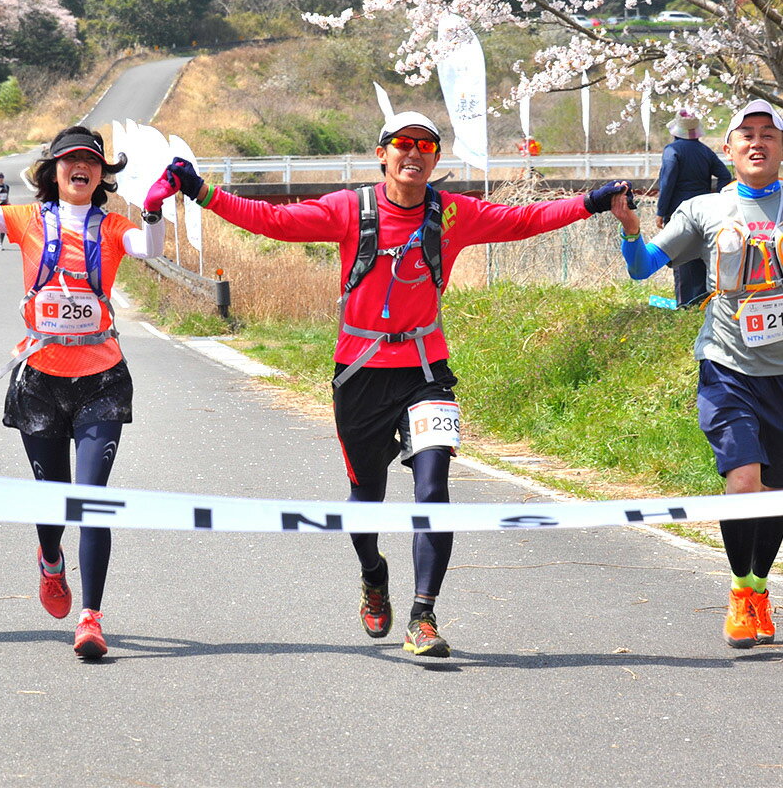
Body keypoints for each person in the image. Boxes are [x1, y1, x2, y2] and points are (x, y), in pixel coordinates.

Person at [162, 86, 627, 659]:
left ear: (437, 159)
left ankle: (424, 616)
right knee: (366, 500)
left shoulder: (451, 212)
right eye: (402, 144)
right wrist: (202, 191)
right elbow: (272, 220)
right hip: (359, 374)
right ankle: (373, 574)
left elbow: (524, 219)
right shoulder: (348, 209)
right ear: (382, 154)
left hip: (426, 371)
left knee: (433, 489)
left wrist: (593, 202)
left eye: (426, 146)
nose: (414, 154)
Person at [0, 107, 171, 659]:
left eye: (91, 162)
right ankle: (50, 558)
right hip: (41, 383)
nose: (81, 167)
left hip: (101, 381)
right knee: (53, 503)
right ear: (52, 170)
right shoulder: (27, 220)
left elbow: (152, 249)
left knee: (91, 501)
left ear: (102, 176)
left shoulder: (115, 227)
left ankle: (91, 617)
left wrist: (154, 206)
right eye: (71, 159)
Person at [611, 98, 783, 649]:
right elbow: (642, 269)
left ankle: (758, 588)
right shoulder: (705, 209)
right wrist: (631, 229)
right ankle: (738, 592)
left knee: (775, 492)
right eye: (746, 135)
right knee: (743, 479)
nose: (757, 143)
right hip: (728, 364)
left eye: (769, 134)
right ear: (727, 150)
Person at [656, 109, 732, 306]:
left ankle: (684, 303)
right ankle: (702, 300)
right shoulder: (705, 151)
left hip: (679, 211)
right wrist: (719, 198)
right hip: (706, 211)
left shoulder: (672, 151)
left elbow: (667, 183)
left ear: (675, 130)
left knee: (681, 258)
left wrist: (661, 212)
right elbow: (725, 175)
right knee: (702, 255)